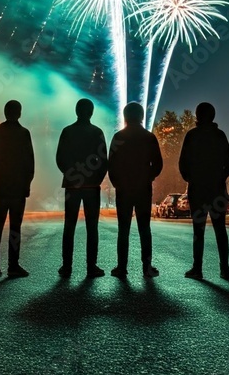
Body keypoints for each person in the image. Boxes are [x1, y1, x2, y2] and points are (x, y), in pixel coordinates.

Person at [178, 101, 229, 280]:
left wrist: (191, 179)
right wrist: (221, 177)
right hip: (217, 189)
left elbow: (183, 163)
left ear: (197, 116)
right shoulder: (220, 135)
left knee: (198, 230)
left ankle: (198, 268)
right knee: (220, 229)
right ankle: (225, 268)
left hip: (198, 189)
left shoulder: (192, 136)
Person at [107, 102, 162, 278]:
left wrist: (117, 183)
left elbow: (111, 164)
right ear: (142, 116)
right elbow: (158, 164)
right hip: (143, 188)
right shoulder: (149, 137)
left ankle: (121, 267)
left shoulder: (118, 137)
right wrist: (148, 177)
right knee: (144, 228)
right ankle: (147, 267)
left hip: (123, 189)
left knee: (123, 229)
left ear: (125, 117)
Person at [55, 98, 108, 278]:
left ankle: (67, 266)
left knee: (69, 225)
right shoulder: (97, 132)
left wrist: (71, 174)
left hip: (72, 185)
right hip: (92, 186)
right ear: (91, 112)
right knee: (92, 227)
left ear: (76, 111)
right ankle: (91, 266)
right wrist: (97, 179)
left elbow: (60, 158)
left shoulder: (67, 131)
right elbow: (103, 161)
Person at [0, 99, 35, 278]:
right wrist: (26, 184)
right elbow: (29, 163)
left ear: (5, 112)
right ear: (19, 113)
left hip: (0, 188)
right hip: (18, 190)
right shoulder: (24, 133)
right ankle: (13, 266)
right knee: (15, 229)